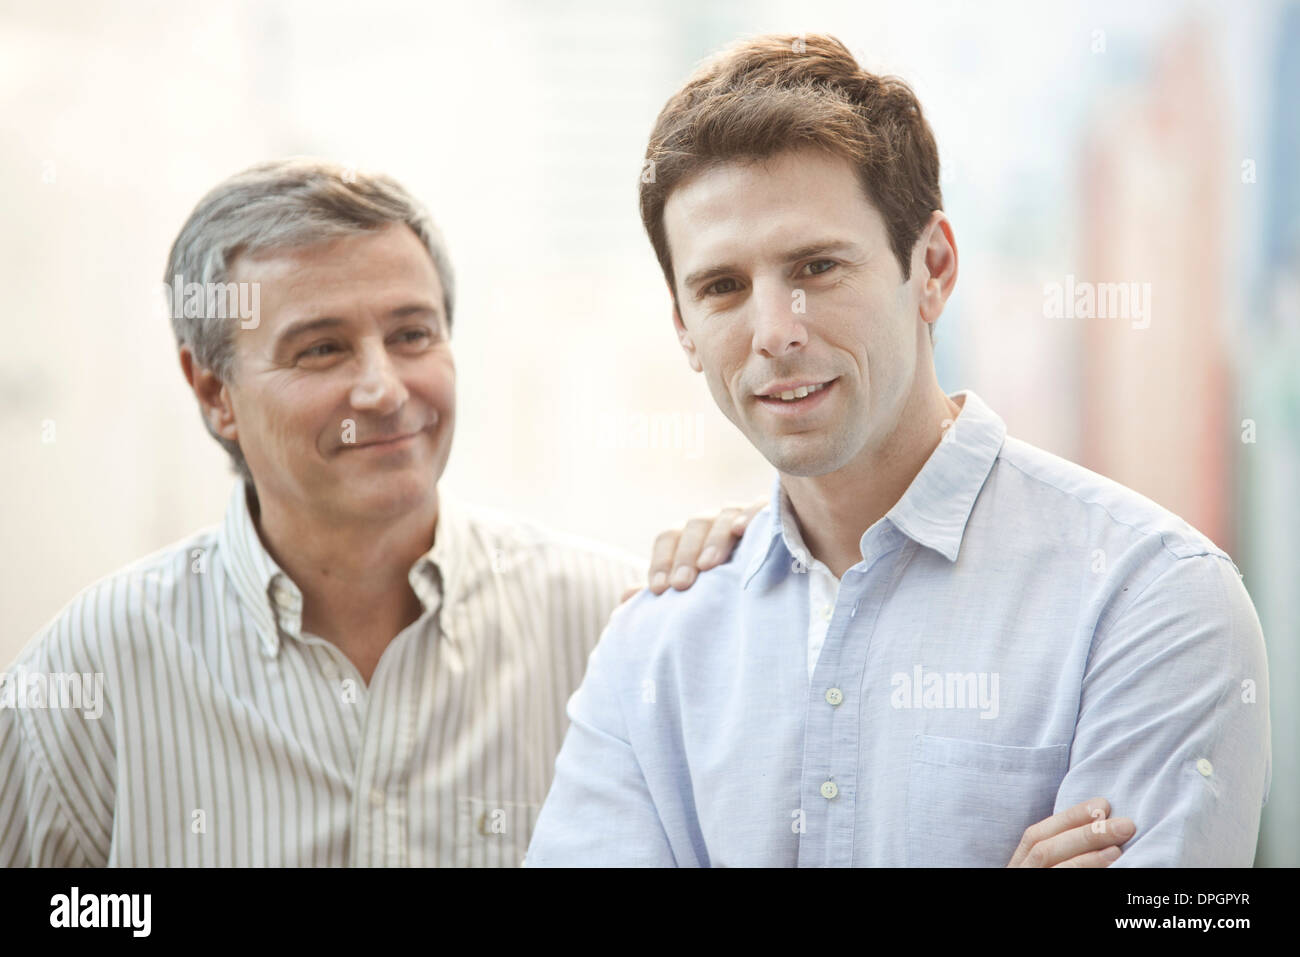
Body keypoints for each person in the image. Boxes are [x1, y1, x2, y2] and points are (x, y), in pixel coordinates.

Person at [525, 34, 1270, 867]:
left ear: (935, 267)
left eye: (817, 265)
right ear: (684, 329)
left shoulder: (1149, 602)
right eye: (722, 287)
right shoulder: (654, 644)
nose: (775, 332)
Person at [0, 158, 753, 867]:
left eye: (412, 335)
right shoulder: (91, 669)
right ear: (214, 393)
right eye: (322, 349)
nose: (384, 389)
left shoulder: (611, 625)